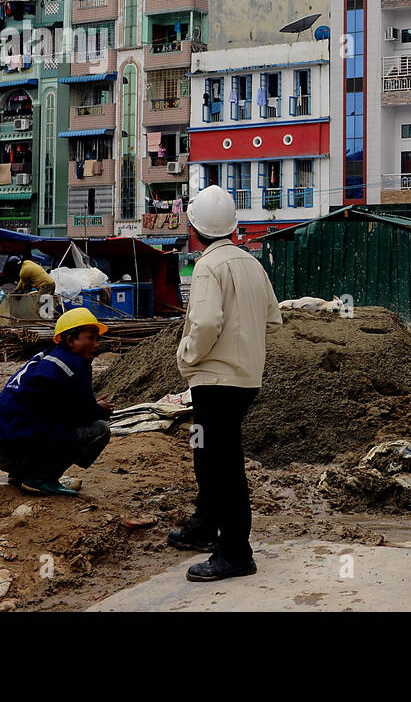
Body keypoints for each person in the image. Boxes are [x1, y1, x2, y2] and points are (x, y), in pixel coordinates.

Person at [169, 184, 285, 582]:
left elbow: (204, 323)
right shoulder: (251, 263)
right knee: (206, 450)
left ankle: (235, 551)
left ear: (194, 229)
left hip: (215, 381)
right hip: (243, 380)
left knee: (223, 464)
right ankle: (204, 525)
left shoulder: (207, 266)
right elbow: (273, 318)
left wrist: (187, 355)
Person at [0, 307, 113, 495]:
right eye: (91, 338)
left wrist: (88, 407)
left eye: (96, 338)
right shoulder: (73, 366)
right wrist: (100, 410)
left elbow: (55, 406)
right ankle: (40, 478)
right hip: (15, 452)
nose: (96, 344)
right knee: (99, 430)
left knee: (49, 425)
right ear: (71, 340)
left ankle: (20, 474)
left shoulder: (46, 359)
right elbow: (83, 414)